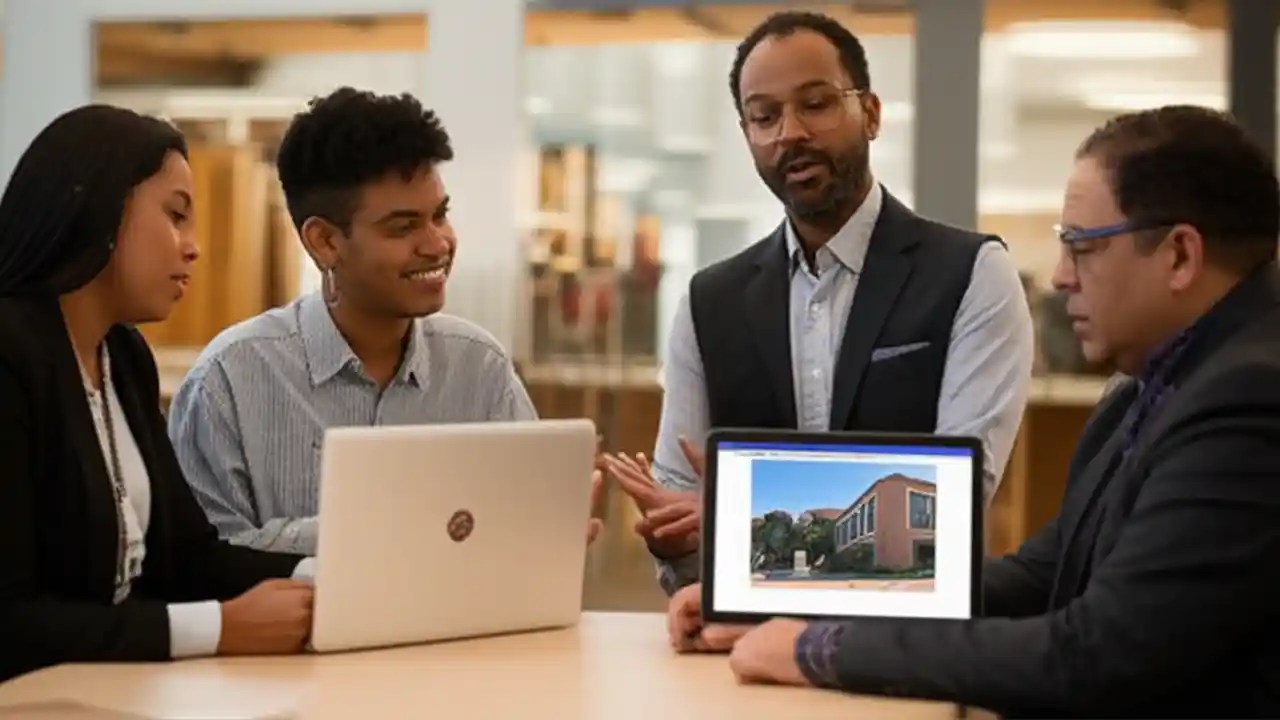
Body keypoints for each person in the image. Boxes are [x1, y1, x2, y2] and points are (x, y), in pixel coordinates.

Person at [667, 105, 1280, 717]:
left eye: (1081, 248)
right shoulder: (1148, 389)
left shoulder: (1247, 401)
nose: (1062, 277)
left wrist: (816, 649)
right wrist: (779, 601)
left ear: (1179, 255)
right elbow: (1043, 577)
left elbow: (1096, 651)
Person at [605, 10, 1034, 595]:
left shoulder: (970, 274)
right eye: (765, 116)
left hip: (904, 647)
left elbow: (946, 505)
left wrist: (740, 518)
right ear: (748, 135)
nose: (791, 132)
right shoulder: (711, 300)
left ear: (872, 114)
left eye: (817, 103)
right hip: (743, 647)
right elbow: (680, 510)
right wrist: (674, 535)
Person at [166, 87, 601, 555]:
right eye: (404, 227)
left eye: (440, 215)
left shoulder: (480, 369)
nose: (437, 244)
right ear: (325, 242)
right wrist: (403, 528)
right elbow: (206, 562)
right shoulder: (229, 382)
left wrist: (546, 534)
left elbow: (524, 528)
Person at [0, 105, 317, 684]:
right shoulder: (11, 352)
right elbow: (10, 622)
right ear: (99, 208)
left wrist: (321, 578)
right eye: (176, 216)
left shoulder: (121, 355)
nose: (193, 247)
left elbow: (187, 556)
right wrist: (217, 629)